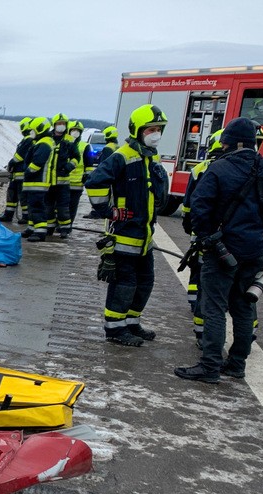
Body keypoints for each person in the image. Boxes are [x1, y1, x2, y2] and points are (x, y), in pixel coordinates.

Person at [175, 117, 263, 383]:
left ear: (231, 142)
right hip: (253, 251)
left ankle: (210, 366)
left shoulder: (219, 169)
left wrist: (207, 238)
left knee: (213, 307)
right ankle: (236, 364)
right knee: (244, 307)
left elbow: (199, 209)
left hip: (222, 251)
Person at [84, 104, 169, 346]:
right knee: (124, 284)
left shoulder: (151, 157)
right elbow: (95, 182)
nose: (156, 133)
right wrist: (109, 211)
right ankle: (115, 330)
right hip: (124, 236)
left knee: (145, 282)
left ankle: (131, 323)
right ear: (138, 130)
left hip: (144, 236)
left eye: (159, 129)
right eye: (152, 129)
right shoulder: (121, 157)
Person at [179, 128, 226, 348]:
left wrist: (190, 226)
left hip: (202, 233)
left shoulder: (201, 168)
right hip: (227, 235)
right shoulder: (239, 169)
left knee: (198, 270)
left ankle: (194, 305)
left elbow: (190, 203)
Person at [20, 116, 59, 241]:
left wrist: (27, 171)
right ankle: (32, 227)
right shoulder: (42, 142)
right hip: (35, 182)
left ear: (40, 129)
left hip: (38, 182)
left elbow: (37, 163)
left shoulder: (44, 144)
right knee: (32, 206)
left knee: (37, 206)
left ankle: (40, 232)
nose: (31, 133)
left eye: (33, 130)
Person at [1, 117, 35, 222]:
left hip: (22, 173)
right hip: (17, 174)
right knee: (12, 194)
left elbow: (19, 156)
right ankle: (8, 214)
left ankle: (26, 216)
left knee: (22, 196)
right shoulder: (26, 140)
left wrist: (11, 162)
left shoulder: (29, 140)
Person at [65, 120, 94, 235]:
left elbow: (89, 164)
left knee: (72, 206)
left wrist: (87, 177)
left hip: (77, 183)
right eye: (73, 130)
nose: (75, 132)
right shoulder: (64, 144)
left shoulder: (85, 146)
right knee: (60, 206)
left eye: (78, 131)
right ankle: (60, 224)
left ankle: (68, 226)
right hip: (62, 181)